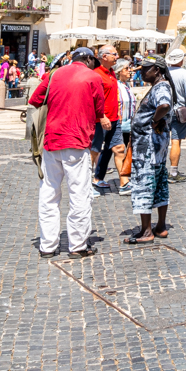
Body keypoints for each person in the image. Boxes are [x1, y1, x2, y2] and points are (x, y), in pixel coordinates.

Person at [29, 47, 108, 259]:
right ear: (89, 59)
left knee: (48, 194)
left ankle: (47, 246)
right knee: (79, 194)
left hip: (51, 141)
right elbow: (99, 109)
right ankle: (77, 246)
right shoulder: (92, 77)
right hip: (76, 140)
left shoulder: (54, 74)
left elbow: (35, 100)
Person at [125, 56, 175, 243]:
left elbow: (164, 105)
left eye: (146, 69)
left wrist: (152, 121)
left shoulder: (161, 87)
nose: (142, 71)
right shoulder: (161, 85)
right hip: (156, 147)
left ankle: (146, 231)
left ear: (156, 70)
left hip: (148, 148)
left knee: (143, 185)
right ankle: (160, 226)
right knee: (160, 183)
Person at [92, 44, 124, 188]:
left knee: (118, 149)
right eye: (114, 54)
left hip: (115, 119)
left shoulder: (112, 72)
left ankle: (124, 182)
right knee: (95, 151)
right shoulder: (96, 74)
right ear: (104, 57)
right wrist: (102, 116)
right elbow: (94, 99)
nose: (117, 57)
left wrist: (118, 112)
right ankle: (89, 181)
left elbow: (114, 95)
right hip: (100, 120)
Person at [165, 47, 186, 181]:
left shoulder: (164, 73)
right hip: (179, 112)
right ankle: (173, 172)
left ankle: (159, 169)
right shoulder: (185, 74)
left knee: (161, 141)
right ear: (181, 60)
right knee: (176, 141)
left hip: (163, 111)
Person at [115, 57, 137, 194]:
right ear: (118, 71)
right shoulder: (116, 85)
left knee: (123, 151)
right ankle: (124, 182)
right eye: (126, 69)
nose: (130, 71)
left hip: (128, 124)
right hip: (119, 123)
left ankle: (125, 179)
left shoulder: (126, 85)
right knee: (119, 151)